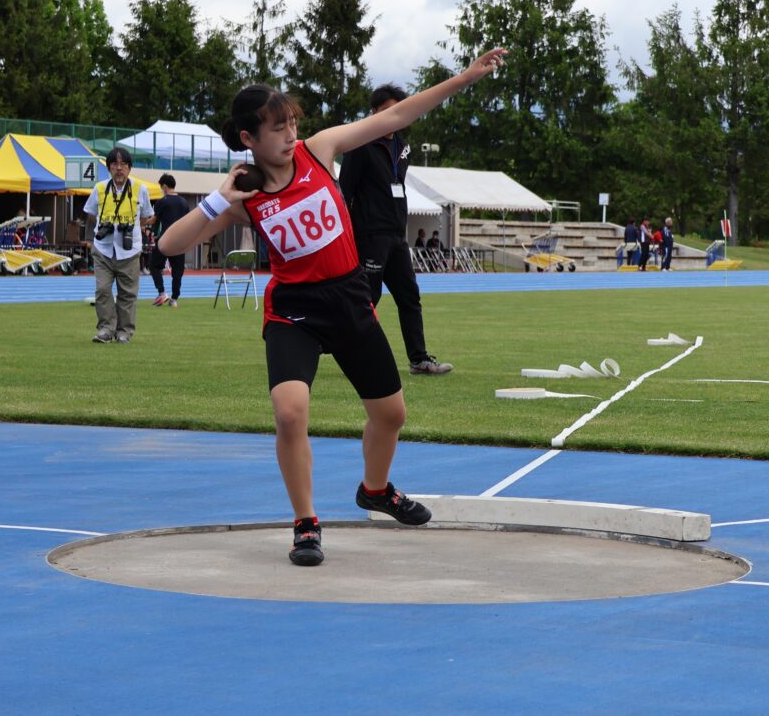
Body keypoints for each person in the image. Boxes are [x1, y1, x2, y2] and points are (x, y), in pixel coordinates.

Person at [157, 47, 506, 566]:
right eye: (277, 129)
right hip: (294, 310)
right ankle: (305, 524)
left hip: (348, 298)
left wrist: (465, 78)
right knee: (290, 412)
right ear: (249, 138)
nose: (290, 134)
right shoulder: (245, 195)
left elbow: (397, 115)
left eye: (292, 123)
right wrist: (217, 197)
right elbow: (169, 247)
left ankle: (376, 489)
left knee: (391, 414)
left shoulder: (320, 151)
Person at [339, 84, 453, 376]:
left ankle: (419, 359)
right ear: (374, 113)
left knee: (409, 297)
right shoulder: (359, 144)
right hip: (370, 234)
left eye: (397, 110)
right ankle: (350, 352)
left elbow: (397, 186)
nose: (393, 116)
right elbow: (346, 192)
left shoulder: (402, 146)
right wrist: (348, 233)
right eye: (386, 110)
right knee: (368, 298)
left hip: (396, 235)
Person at [83, 147, 154, 343]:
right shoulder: (99, 188)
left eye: (123, 164)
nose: (119, 168)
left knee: (128, 294)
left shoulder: (141, 189)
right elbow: (90, 214)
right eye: (114, 164)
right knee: (102, 290)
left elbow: (148, 215)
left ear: (130, 168)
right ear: (109, 168)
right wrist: (94, 235)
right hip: (103, 248)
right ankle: (106, 329)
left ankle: (124, 331)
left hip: (129, 250)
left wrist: (132, 229)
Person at [149, 173, 191, 308]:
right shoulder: (184, 202)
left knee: (154, 265)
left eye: (161, 187)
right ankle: (174, 299)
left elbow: (154, 220)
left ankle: (162, 292)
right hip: (180, 240)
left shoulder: (162, 202)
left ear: (165, 186)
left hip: (166, 239)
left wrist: (142, 221)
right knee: (177, 272)